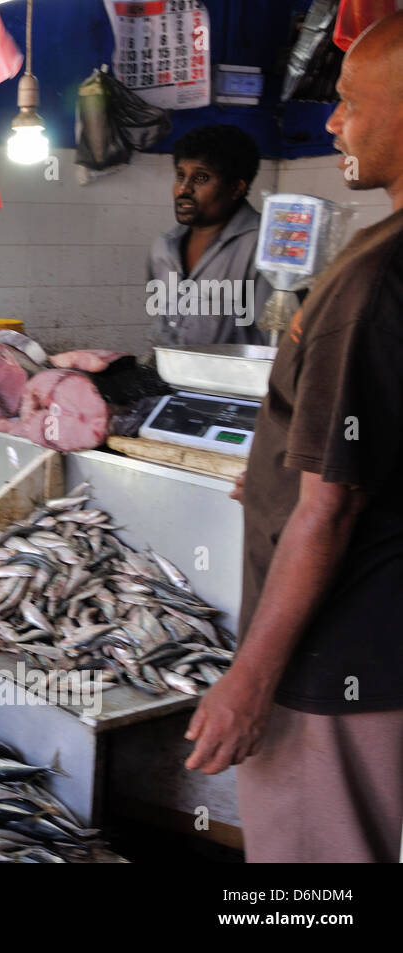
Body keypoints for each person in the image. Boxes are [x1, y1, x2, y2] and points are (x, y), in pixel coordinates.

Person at [184, 12, 403, 863]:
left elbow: (332, 507)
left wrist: (250, 680)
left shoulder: (374, 278)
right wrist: (278, 472)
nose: (333, 123)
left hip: (340, 653)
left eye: (350, 103)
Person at [146, 124, 272, 348]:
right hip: (170, 378)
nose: (183, 189)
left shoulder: (265, 248)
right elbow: (163, 327)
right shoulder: (164, 248)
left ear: (236, 188)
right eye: (180, 176)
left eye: (201, 178)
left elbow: (274, 344)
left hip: (236, 382)